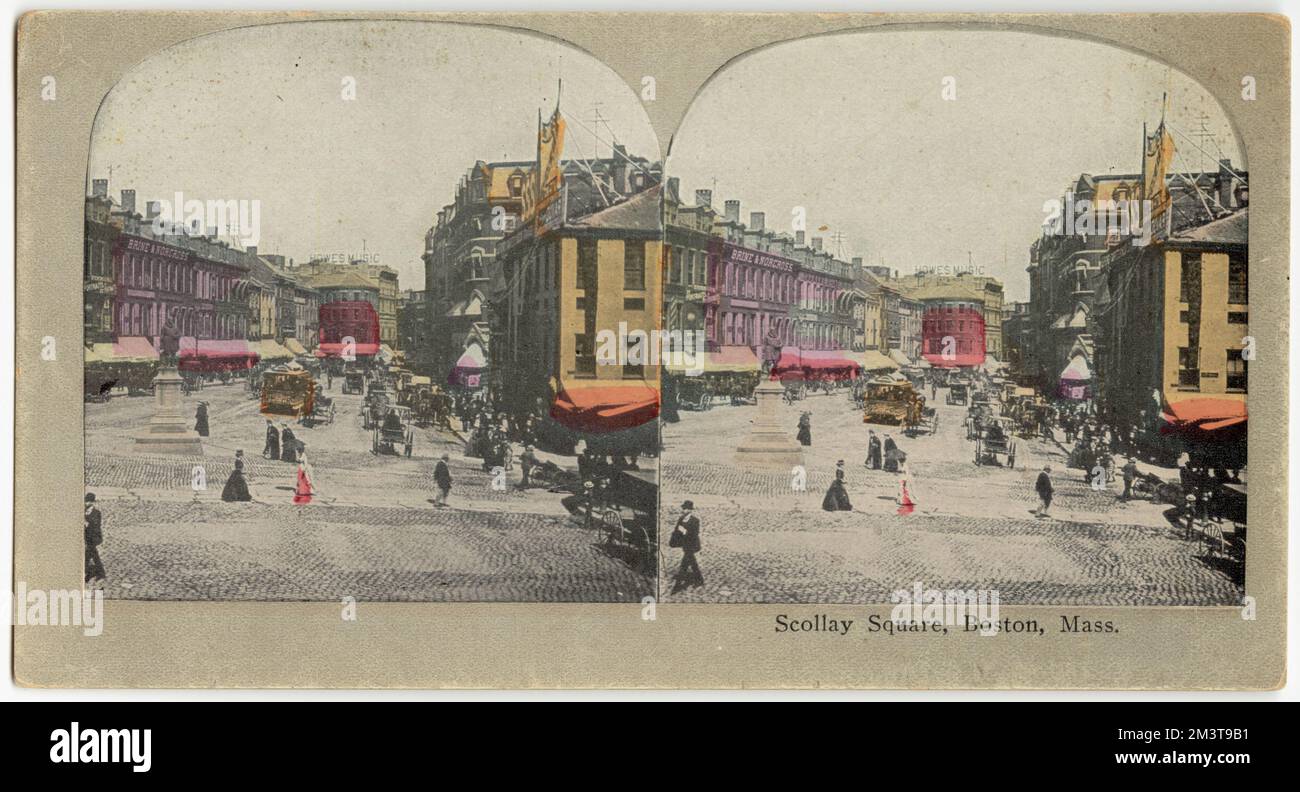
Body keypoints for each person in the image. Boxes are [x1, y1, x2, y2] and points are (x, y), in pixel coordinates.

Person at [670, 500, 703, 593]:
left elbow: (695, 534)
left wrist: (684, 531)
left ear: (690, 510)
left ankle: (678, 585)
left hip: (692, 545)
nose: (683, 510)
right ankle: (700, 580)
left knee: (684, 565)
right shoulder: (681, 519)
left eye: (685, 508)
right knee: (693, 563)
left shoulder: (695, 521)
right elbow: (676, 531)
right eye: (683, 508)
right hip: (685, 545)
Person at [84, 492, 106, 585]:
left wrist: (87, 523)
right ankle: (96, 573)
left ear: (92, 503)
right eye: (86, 501)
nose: (86, 503)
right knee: (90, 556)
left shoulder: (96, 513)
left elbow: (96, 526)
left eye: (88, 502)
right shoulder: (84, 511)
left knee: (92, 556)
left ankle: (100, 574)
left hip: (93, 538)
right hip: (87, 538)